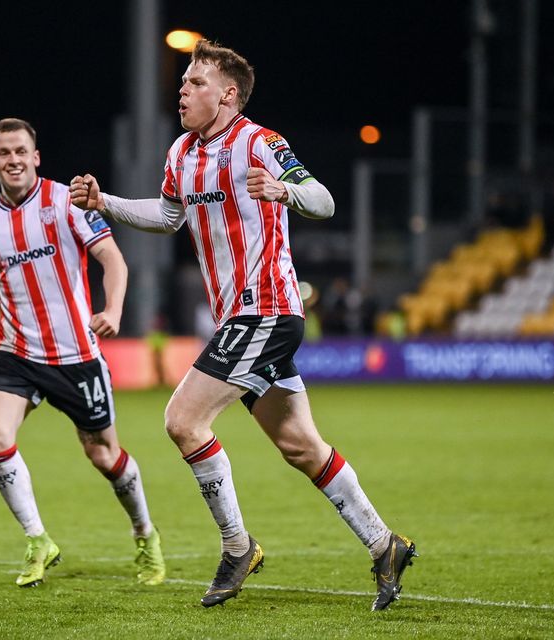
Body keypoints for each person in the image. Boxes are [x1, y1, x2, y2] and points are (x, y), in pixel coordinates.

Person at [69, 40, 415, 611]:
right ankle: (385, 545)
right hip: (241, 318)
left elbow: (324, 200)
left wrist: (285, 190)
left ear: (228, 95)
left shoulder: (260, 142)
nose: (182, 90)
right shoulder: (181, 152)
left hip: (269, 310)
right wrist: (105, 201)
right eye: (182, 82)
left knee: (182, 419)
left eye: (195, 82)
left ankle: (237, 545)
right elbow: (170, 215)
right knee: (302, 446)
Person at [0, 118, 166, 588]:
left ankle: (145, 533)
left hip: (76, 354)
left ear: (35, 157)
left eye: (21, 151)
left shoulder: (65, 202)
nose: (13, 159)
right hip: (16, 354)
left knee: (103, 454)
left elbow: (112, 258)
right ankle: (38, 540)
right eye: (4, 152)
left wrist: (112, 308)